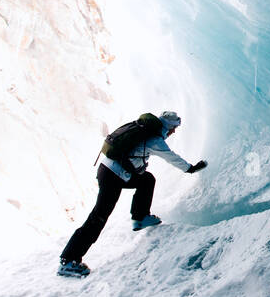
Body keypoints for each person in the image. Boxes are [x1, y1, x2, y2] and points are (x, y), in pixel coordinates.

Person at [59, 111, 206, 277]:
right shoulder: (154, 139)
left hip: (109, 169)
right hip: (113, 176)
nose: (174, 132)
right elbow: (171, 157)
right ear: (168, 126)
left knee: (146, 180)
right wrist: (190, 168)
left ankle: (140, 217)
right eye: (174, 128)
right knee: (99, 216)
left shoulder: (141, 128)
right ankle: (68, 260)